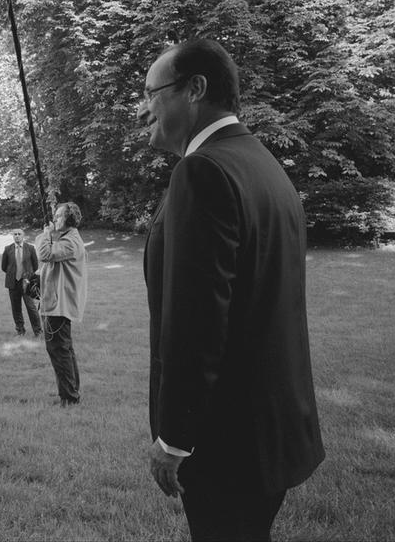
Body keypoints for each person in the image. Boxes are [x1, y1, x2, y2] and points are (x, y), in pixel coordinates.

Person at [138, 38, 324, 541]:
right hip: (272, 430)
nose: (144, 109)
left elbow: (196, 320)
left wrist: (176, 438)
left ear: (194, 89)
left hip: (226, 440)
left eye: (152, 93)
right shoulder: (262, 165)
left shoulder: (202, 172)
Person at [35, 202, 87, 407]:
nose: (55, 219)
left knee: (59, 349)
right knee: (64, 349)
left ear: (69, 219)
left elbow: (44, 254)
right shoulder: (68, 239)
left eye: (58, 216)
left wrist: (45, 234)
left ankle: (69, 397)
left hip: (59, 304)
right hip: (57, 302)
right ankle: (71, 391)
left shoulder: (71, 242)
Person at [0, 229, 42, 337]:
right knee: (16, 308)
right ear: (13, 236)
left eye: (19, 234)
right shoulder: (7, 249)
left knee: (31, 307)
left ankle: (38, 331)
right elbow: (4, 267)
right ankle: (20, 331)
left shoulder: (30, 248)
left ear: (23, 236)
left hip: (26, 283)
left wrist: (28, 276)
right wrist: (13, 274)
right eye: (15, 234)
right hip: (13, 283)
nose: (17, 236)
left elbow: (35, 265)